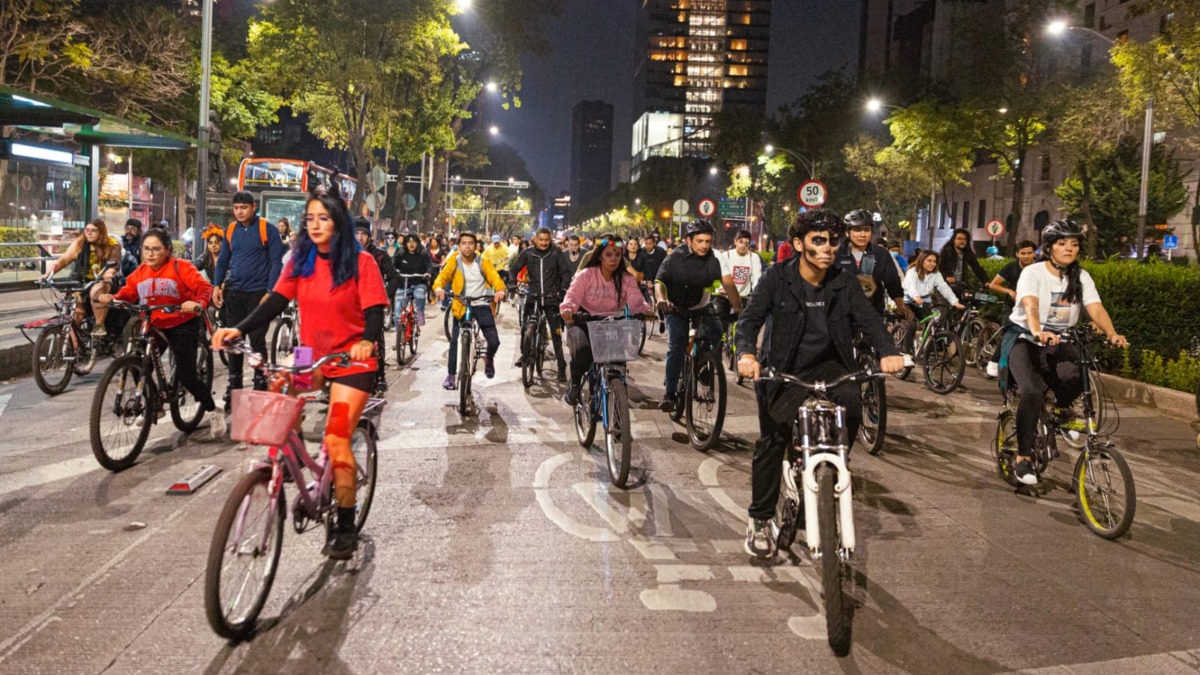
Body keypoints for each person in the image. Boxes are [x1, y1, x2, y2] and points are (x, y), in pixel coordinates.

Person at [211, 182, 388, 559]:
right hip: (311, 354)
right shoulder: (300, 260)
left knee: (337, 439)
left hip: (352, 362)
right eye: (310, 218)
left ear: (338, 223)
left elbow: (374, 311)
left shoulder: (362, 262)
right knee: (280, 385)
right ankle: (290, 460)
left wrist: (367, 341)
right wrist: (238, 329)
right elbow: (276, 300)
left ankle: (345, 522)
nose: (316, 225)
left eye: (324, 218)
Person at [735, 210, 904, 558]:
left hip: (832, 367)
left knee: (852, 409)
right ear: (799, 244)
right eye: (819, 241)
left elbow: (870, 321)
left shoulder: (845, 283)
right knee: (772, 441)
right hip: (784, 368)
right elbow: (750, 319)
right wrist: (747, 354)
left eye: (832, 241)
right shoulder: (776, 278)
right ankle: (761, 518)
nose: (828, 248)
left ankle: (832, 470)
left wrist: (889, 351)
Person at [1004, 220, 1126, 486]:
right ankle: (1023, 457)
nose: (1069, 249)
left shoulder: (1081, 277)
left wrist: (1112, 333)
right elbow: (1030, 305)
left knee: (1078, 376)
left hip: (1059, 340)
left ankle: (1060, 410)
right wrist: (1037, 330)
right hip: (1025, 339)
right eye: (1062, 244)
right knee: (1032, 392)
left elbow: (1095, 307)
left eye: (1074, 244)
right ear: (1049, 248)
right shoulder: (1033, 273)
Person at [101, 227, 224, 439]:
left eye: (156, 249)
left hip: (183, 323)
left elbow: (203, 287)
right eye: (146, 249)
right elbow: (129, 291)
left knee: (187, 376)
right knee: (137, 362)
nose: (150, 254)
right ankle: (154, 403)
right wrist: (114, 298)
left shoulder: (181, 267)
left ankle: (213, 409)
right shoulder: (141, 271)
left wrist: (197, 303)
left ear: (167, 250)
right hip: (154, 323)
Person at [655, 219, 742, 412]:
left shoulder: (716, 257)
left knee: (718, 334)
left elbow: (728, 284)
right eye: (700, 241)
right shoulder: (675, 257)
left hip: (702, 306)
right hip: (675, 308)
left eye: (708, 241)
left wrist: (739, 308)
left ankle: (702, 364)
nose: (704, 245)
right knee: (677, 345)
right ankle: (670, 395)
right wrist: (661, 299)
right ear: (689, 240)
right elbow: (659, 282)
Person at [212, 190, 286, 406]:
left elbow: (276, 262)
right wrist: (216, 285)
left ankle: (260, 385)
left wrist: (270, 292)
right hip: (235, 293)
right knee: (233, 341)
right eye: (236, 208)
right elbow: (223, 260)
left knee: (256, 342)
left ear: (254, 207)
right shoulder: (230, 230)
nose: (239, 212)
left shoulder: (267, 229)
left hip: (258, 293)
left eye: (243, 207)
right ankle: (234, 387)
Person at [559, 234, 654, 404]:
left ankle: (618, 398)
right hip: (584, 321)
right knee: (582, 352)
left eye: (617, 254)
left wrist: (646, 311)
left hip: (612, 324)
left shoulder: (626, 279)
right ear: (600, 256)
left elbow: (636, 301)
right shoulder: (586, 275)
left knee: (618, 361)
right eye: (608, 254)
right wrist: (568, 309)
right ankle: (574, 384)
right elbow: (572, 296)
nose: (614, 259)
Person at [433, 232, 507, 389]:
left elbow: (495, 277)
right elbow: (443, 276)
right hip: (461, 304)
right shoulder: (454, 260)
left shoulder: (483, 261)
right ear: (459, 246)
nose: (467, 246)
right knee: (455, 341)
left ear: (476, 246)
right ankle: (451, 375)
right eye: (464, 243)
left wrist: (500, 290)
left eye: (470, 243)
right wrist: (438, 287)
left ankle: (489, 358)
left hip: (481, 304)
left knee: (494, 341)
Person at [509, 227, 573, 381]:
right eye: (541, 240)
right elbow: (514, 269)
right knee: (525, 328)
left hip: (552, 298)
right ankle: (525, 355)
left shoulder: (556, 252)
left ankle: (561, 366)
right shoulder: (527, 253)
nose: (544, 243)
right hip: (533, 297)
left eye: (546, 240)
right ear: (535, 240)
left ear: (550, 240)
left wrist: (563, 289)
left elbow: (565, 273)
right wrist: (512, 283)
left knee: (556, 335)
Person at [42, 219, 122, 335]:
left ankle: (99, 325)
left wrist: (108, 274)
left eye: (93, 230)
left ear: (101, 232)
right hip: (81, 280)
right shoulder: (80, 243)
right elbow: (63, 260)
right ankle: (73, 343)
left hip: (102, 281)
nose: (89, 233)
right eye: (87, 230)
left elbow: (114, 265)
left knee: (97, 290)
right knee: (75, 312)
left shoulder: (111, 245)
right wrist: (47, 274)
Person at [355, 218, 399, 394]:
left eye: (363, 234)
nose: (360, 238)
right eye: (356, 234)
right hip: (350, 305)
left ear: (369, 236)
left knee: (375, 339)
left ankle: (380, 376)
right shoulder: (345, 255)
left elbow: (394, 277)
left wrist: (385, 296)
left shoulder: (379, 255)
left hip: (372, 304)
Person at [984, 239, 1037, 378]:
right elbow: (993, 285)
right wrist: (1009, 291)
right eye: (1023, 253)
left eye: (1029, 253)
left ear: (1034, 254)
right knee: (1010, 332)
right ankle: (994, 361)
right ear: (1017, 254)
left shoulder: (1039, 268)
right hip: (1012, 307)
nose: (1026, 256)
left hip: (1032, 308)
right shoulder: (1011, 267)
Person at [903, 250, 965, 322]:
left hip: (924, 303)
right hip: (908, 302)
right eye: (929, 261)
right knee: (911, 323)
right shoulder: (913, 271)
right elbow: (910, 285)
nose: (932, 264)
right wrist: (916, 296)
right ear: (922, 260)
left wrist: (954, 301)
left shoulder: (936, 274)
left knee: (933, 322)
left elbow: (944, 288)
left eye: (934, 261)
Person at [393, 233, 432, 329]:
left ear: (417, 242)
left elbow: (430, 266)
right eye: (409, 242)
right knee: (397, 315)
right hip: (403, 285)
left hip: (419, 283)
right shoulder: (400, 254)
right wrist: (395, 271)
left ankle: (420, 312)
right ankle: (400, 335)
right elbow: (392, 265)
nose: (411, 244)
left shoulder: (423, 254)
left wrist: (428, 273)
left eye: (413, 241)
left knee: (419, 295)